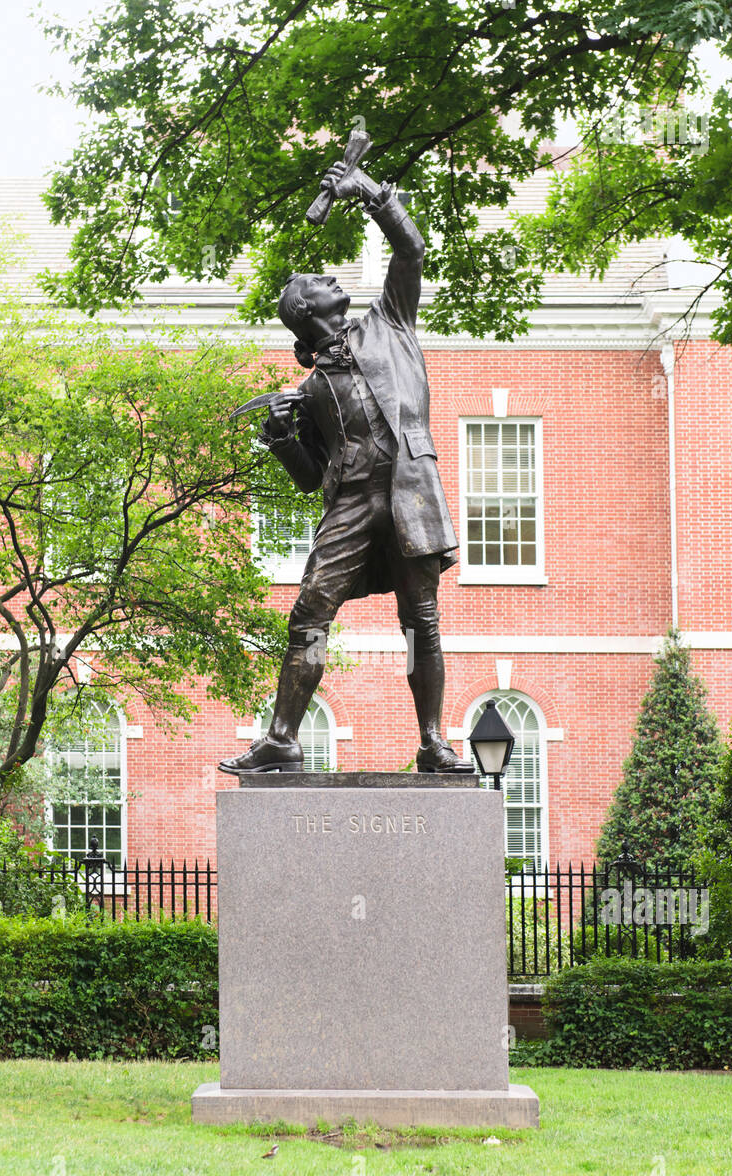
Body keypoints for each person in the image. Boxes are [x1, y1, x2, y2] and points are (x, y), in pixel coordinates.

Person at [219, 159, 473, 775]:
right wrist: (280, 438)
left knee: (422, 621)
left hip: (412, 485)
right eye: (318, 279)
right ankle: (282, 737)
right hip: (353, 500)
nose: (330, 275)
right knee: (309, 610)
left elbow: (410, 249)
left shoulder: (390, 323)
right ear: (306, 309)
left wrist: (373, 195)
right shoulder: (306, 392)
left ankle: (432, 742)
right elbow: (309, 476)